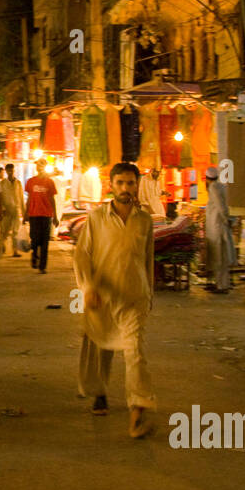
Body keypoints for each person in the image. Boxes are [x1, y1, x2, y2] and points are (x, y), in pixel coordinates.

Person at [73, 162, 157, 438]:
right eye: (120, 183)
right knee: (101, 348)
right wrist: (87, 288)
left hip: (134, 297)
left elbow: (148, 260)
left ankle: (138, 408)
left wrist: (150, 293)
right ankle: (99, 393)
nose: (125, 189)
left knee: (135, 352)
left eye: (130, 183)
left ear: (137, 185)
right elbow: (82, 255)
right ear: (111, 186)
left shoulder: (145, 221)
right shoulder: (96, 219)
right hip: (102, 296)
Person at [203, 165, 235, 293]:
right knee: (219, 255)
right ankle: (219, 283)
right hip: (218, 225)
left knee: (219, 256)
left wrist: (227, 219)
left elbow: (221, 206)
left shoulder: (214, 187)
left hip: (218, 225)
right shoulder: (220, 186)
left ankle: (222, 285)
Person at [23, 159, 59, 274]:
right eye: (38, 165)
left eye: (41, 165)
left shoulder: (50, 182)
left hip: (46, 215)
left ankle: (42, 266)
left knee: (45, 242)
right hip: (34, 215)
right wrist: (25, 214)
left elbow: (52, 199)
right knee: (34, 239)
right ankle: (34, 256)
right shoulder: (30, 181)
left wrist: (55, 216)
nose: (39, 167)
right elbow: (29, 199)